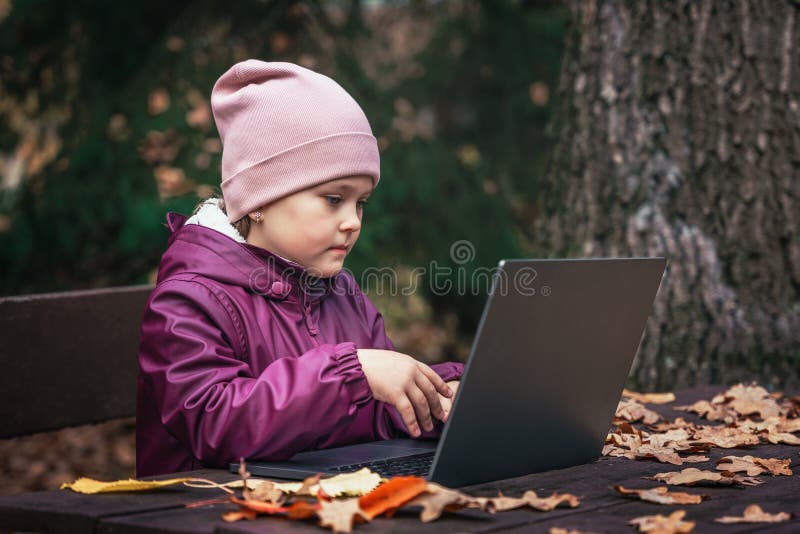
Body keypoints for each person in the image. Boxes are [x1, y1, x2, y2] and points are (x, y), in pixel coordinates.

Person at [136, 60, 464, 477]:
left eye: (360, 202)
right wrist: (350, 377)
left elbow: (376, 415)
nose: (353, 221)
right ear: (257, 201)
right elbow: (214, 423)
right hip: (203, 507)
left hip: (316, 501)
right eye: (333, 199)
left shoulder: (341, 295)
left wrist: (437, 399)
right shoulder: (189, 300)